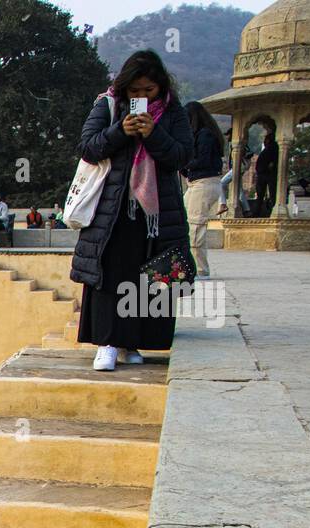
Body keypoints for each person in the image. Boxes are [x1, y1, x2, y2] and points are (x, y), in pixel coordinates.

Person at [71, 49, 192, 372]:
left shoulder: (173, 113)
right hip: (113, 210)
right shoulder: (107, 105)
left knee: (152, 275)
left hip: (157, 213)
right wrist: (120, 132)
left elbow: (181, 156)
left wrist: (154, 135)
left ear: (160, 88)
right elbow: (88, 147)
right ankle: (107, 342)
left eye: (148, 91)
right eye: (135, 91)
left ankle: (134, 340)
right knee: (112, 273)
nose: (140, 96)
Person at [183, 100, 226, 278]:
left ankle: (200, 270)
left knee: (195, 226)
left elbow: (202, 160)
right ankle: (195, 267)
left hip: (204, 183)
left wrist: (182, 163)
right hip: (199, 183)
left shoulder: (205, 136)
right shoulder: (204, 134)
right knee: (187, 223)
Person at [256, 129, 278, 217]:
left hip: (267, 174)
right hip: (264, 173)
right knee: (262, 194)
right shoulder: (269, 150)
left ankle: (263, 211)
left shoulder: (272, 149)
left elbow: (273, 163)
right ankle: (259, 211)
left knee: (269, 194)